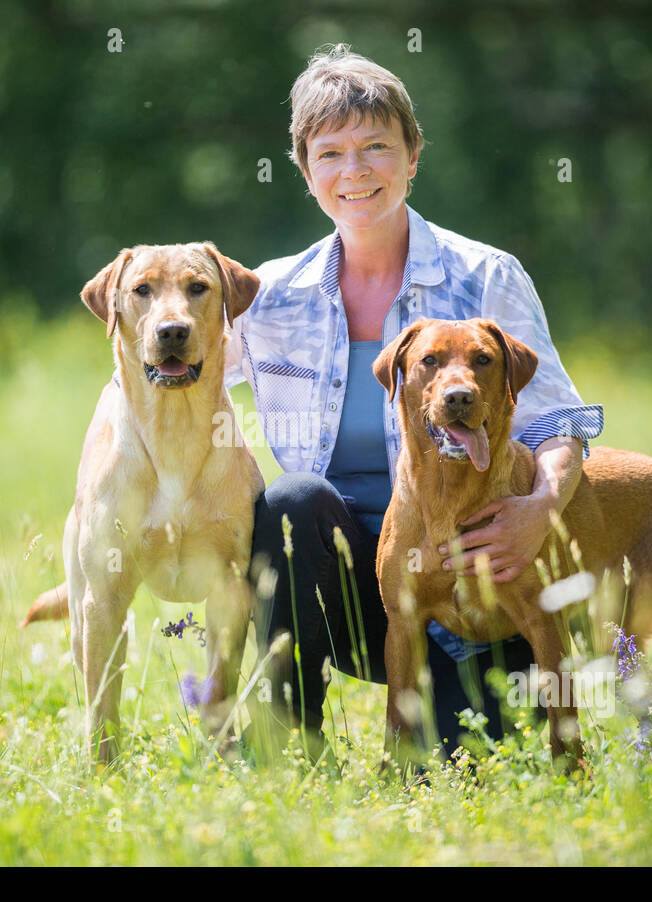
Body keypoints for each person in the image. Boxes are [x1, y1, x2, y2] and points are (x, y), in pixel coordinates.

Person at [224, 44, 603, 758]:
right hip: (353, 589)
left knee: (467, 762)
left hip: (481, 579)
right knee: (294, 501)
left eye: (376, 146)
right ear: (306, 172)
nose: (355, 170)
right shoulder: (268, 296)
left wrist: (540, 508)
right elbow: (172, 391)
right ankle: (283, 740)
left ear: (413, 155)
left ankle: (475, 709)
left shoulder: (486, 275)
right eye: (330, 153)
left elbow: (560, 422)